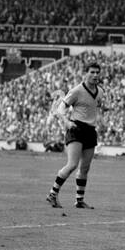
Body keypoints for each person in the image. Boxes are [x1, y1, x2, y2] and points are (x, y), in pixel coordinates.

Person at [47, 61, 104, 209]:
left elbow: (96, 108)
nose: (95, 75)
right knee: (72, 164)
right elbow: (60, 109)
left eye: (97, 72)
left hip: (90, 130)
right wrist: (65, 121)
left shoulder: (101, 92)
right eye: (92, 72)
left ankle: (79, 200)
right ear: (85, 73)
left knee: (85, 168)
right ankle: (52, 194)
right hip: (76, 128)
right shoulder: (77, 90)